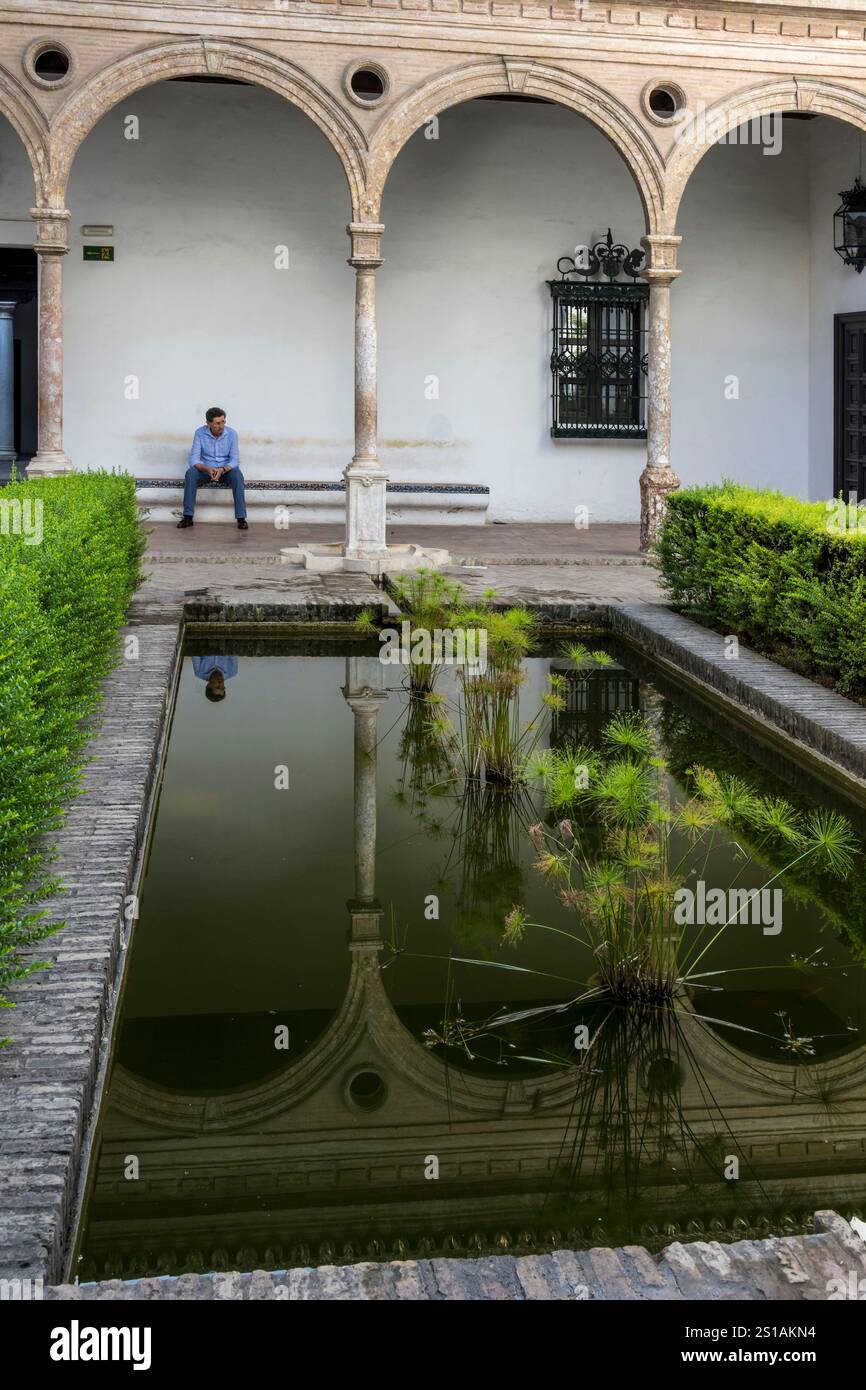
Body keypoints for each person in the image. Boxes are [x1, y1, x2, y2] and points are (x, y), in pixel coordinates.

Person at [178, 407, 248, 530]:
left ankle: (241, 519)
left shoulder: (232, 434)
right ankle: (188, 517)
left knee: (237, 475)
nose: (221, 426)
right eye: (217, 423)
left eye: (223, 422)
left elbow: (235, 460)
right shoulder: (200, 433)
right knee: (190, 474)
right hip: (206, 470)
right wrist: (207, 469)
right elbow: (193, 459)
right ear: (209, 423)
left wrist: (222, 470)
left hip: (226, 471)